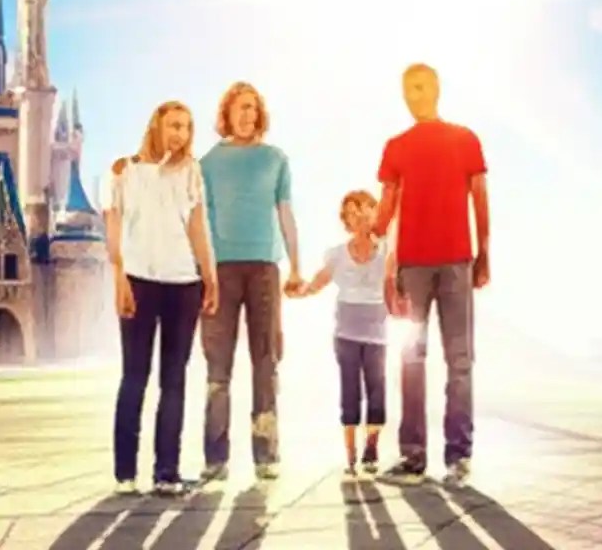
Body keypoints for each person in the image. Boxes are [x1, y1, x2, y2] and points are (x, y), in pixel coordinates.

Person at [373, 62, 489, 487]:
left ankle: (459, 457)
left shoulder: (464, 139)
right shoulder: (395, 146)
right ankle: (413, 457)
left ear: (436, 89)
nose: (413, 96)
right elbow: (387, 210)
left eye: (420, 87)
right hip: (412, 267)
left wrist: (484, 253)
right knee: (410, 360)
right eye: (407, 89)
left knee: (460, 361)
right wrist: (374, 242)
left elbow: (479, 198)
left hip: (457, 263)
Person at [103, 100, 218, 498]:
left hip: (184, 283)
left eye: (186, 127)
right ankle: (124, 473)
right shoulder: (124, 171)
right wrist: (119, 278)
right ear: (156, 126)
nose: (180, 134)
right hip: (139, 281)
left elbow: (198, 226)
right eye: (173, 125)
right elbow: (113, 229)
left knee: (175, 379)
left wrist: (210, 275)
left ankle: (166, 472)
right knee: (135, 376)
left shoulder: (191, 171)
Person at [198, 82, 303, 483]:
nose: (248, 116)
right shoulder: (207, 163)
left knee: (265, 361)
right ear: (227, 113)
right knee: (218, 366)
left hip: (264, 269)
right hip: (221, 271)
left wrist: (295, 266)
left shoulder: (275, 159)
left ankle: (266, 454)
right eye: (241, 108)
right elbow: (200, 222)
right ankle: (215, 457)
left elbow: (287, 214)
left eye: (253, 109)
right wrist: (203, 272)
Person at [293, 190, 393, 477]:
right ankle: (350, 457)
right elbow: (318, 282)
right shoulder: (337, 254)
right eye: (352, 211)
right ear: (346, 221)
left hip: (378, 335)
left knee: (377, 391)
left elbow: (398, 281)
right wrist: (296, 290)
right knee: (350, 391)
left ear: (375, 213)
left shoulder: (387, 251)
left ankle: (371, 448)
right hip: (346, 334)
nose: (360, 215)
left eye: (365, 209)